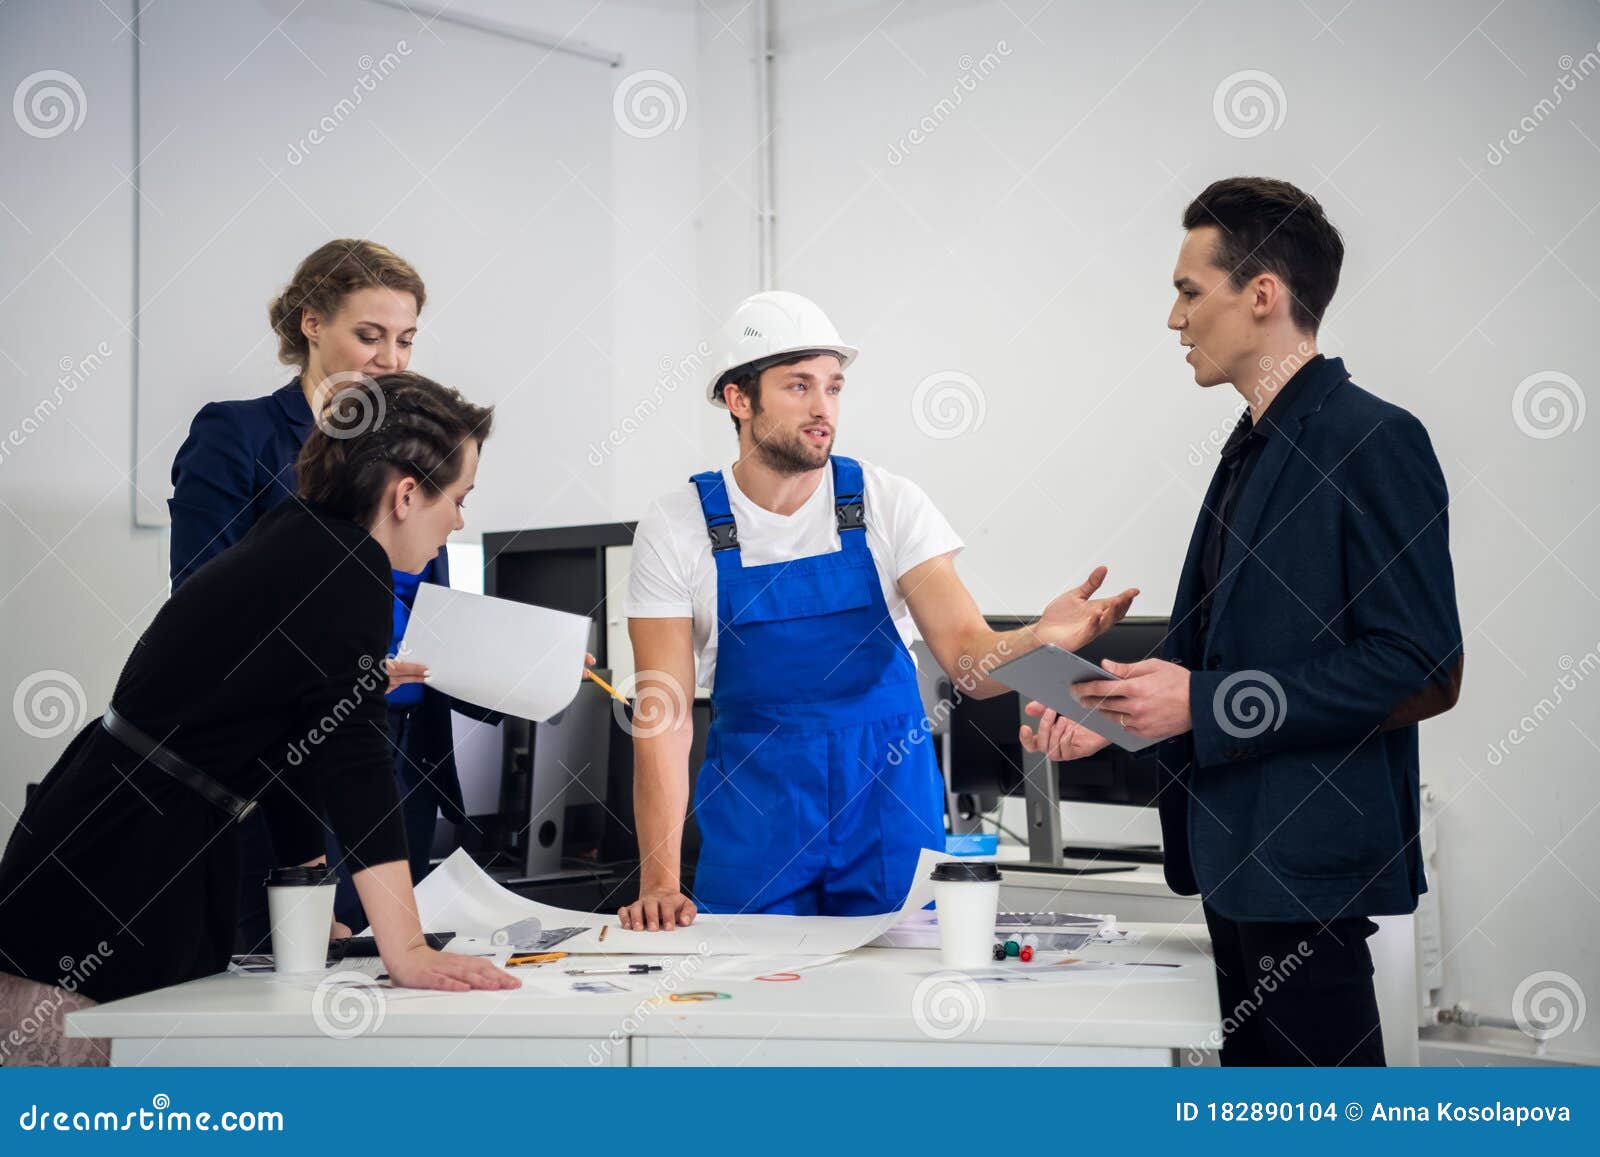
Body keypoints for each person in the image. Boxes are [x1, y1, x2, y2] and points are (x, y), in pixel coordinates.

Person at [1021, 177, 1463, 1066]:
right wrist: (1108, 711)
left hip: (1304, 876)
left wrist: (1203, 703)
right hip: (1236, 866)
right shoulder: (1248, 449)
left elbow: (1421, 667)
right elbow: (1219, 659)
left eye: (1190, 291)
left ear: (1262, 294)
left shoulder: (1373, 439)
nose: (1174, 318)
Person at [0, 372, 519, 1066]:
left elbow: (295, 740)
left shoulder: (302, 538)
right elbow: (358, 762)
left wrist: (310, 894)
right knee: (71, 1094)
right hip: (117, 867)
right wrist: (408, 949)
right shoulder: (350, 568)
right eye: (458, 499)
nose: (457, 521)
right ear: (405, 495)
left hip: (119, 836)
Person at [619, 291, 1136, 930]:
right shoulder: (678, 527)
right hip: (757, 821)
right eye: (799, 386)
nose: (823, 408)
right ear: (739, 399)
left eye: (833, 387)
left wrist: (1039, 636)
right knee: (744, 980)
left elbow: (969, 663)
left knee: (904, 980)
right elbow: (665, 716)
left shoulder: (889, 503)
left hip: (888, 813)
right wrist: (659, 882)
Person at [168, 239, 497, 941]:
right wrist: (342, 676)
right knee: (283, 960)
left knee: (381, 962)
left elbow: (415, 606)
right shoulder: (240, 435)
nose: (391, 360)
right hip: (285, 759)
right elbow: (203, 608)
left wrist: (516, 661)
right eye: (370, 335)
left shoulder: (409, 442)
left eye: (405, 340)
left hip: (397, 756)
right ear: (312, 323)